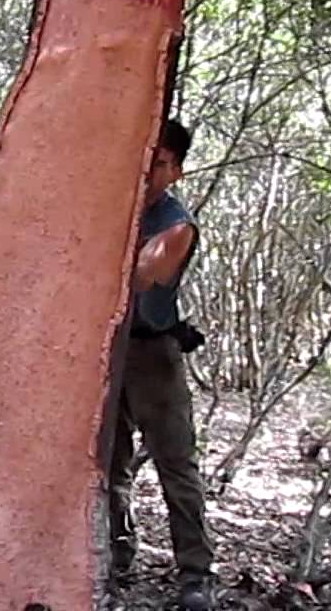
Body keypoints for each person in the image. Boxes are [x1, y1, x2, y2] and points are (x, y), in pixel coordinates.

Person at [109, 118, 216, 610]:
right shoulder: (112, 206)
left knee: (175, 464)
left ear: (176, 170)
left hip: (151, 353)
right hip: (102, 353)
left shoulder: (175, 225)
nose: (149, 171)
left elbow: (137, 276)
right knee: (108, 463)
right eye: (145, 157)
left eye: (161, 163)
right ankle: (116, 553)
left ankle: (195, 574)